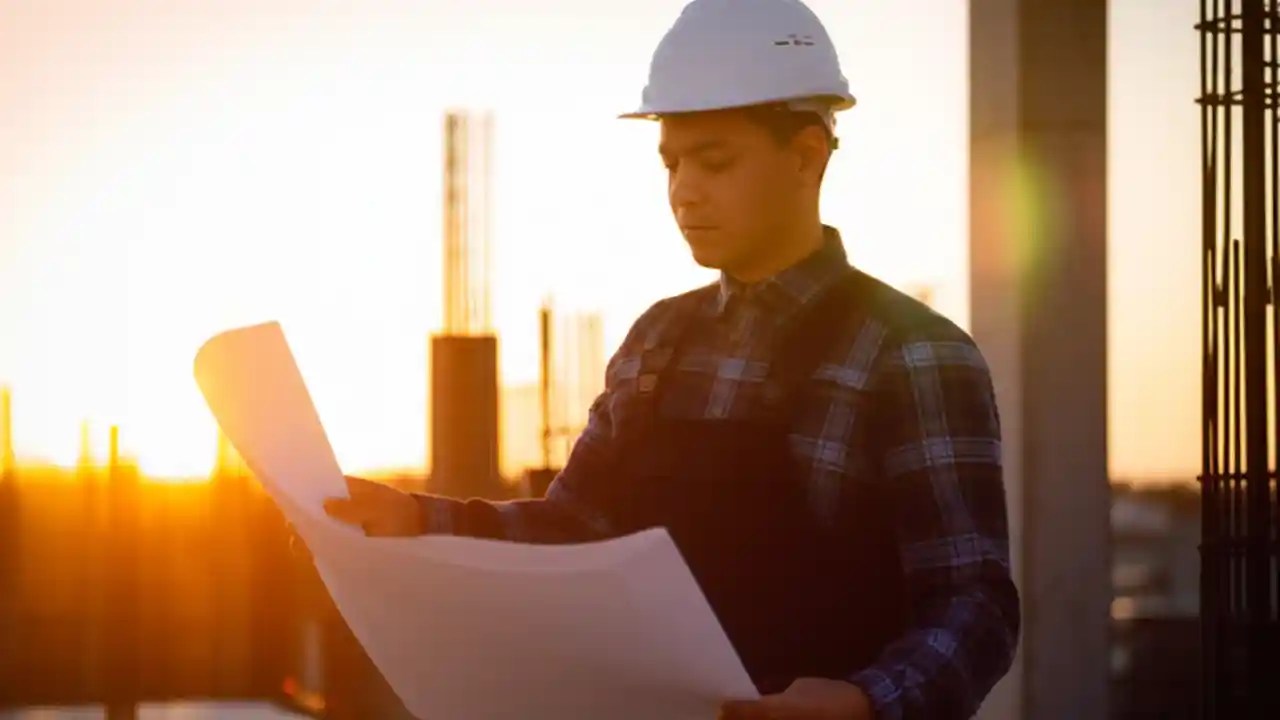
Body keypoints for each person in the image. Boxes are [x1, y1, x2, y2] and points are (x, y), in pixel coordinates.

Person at [324, 1, 1020, 717]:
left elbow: (974, 606)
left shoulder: (913, 356)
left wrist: (866, 703)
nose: (684, 189)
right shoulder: (657, 340)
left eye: (715, 161)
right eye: (672, 161)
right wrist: (416, 518)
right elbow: (575, 530)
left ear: (807, 155)